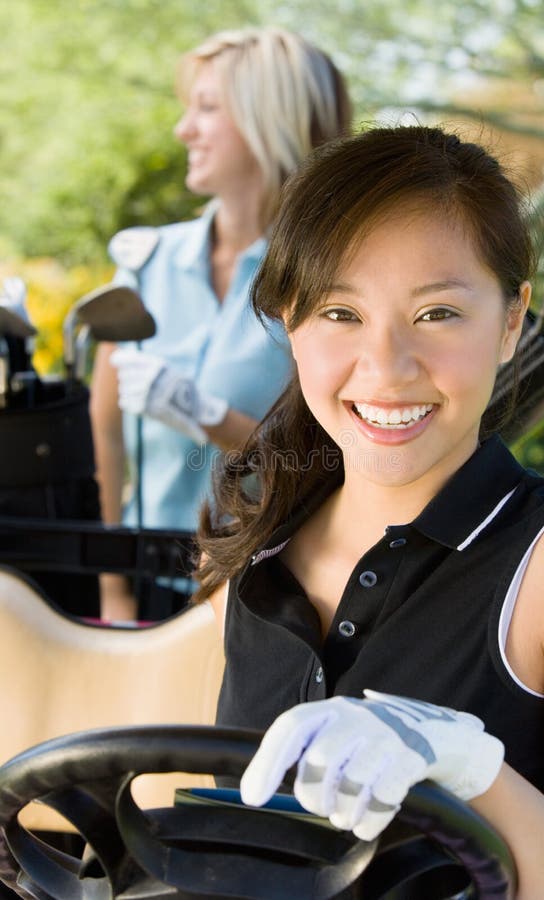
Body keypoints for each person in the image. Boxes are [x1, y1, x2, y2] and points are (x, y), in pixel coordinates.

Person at [196, 126, 544, 896]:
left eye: (438, 314)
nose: (387, 368)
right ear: (290, 321)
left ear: (512, 321)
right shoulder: (254, 558)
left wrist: (475, 772)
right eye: (341, 314)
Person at [89, 27, 351, 621]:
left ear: (270, 121)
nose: (184, 128)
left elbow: (328, 459)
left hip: (268, 595)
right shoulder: (145, 263)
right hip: (143, 582)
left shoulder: (328, 278)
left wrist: (206, 416)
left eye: (207, 109)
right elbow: (102, 435)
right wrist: (114, 595)